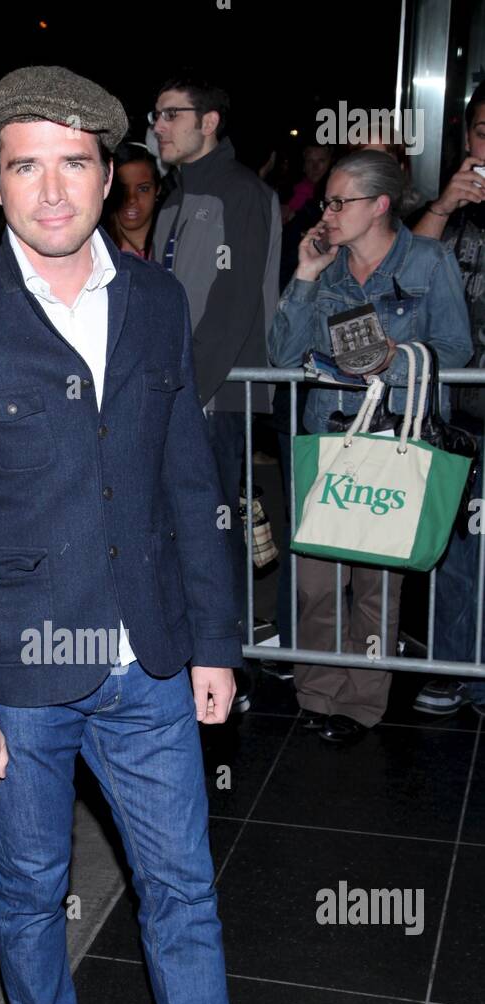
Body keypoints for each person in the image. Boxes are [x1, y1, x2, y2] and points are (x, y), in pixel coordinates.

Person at [0, 64, 297, 1004]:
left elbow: (187, 482)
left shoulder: (157, 300)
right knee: (29, 881)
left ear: (111, 170)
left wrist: (215, 642)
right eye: (27, 163)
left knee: (182, 877)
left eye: (75, 161)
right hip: (20, 670)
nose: (54, 187)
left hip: (149, 658)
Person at [268, 149, 472, 744]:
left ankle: (360, 705)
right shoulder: (325, 267)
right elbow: (281, 356)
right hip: (327, 439)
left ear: (379, 205)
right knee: (315, 583)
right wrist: (305, 274)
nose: (326, 213)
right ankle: (317, 693)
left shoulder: (429, 262)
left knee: (376, 586)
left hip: (390, 440)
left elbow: (457, 351)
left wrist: (395, 363)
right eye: (326, 202)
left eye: (339, 202)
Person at [150, 72, 282, 712]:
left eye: (172, 114)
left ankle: (229, 668)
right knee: (183, 527)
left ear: (210, 122)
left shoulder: (241, 193)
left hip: (217, 396)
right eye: (156, 115)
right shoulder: (174, 201)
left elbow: (230, 313)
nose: (159, 125)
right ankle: (194, 658)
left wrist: (177, 392)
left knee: (215, 530)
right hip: (182, 391)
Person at [408, 83, 485, 719]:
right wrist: (441, 207)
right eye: (484, 130)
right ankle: (457, 667)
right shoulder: (449, 211)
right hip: (454, 414)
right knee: (454, 547)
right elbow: (398, 278)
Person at [102, 140, 161, 258]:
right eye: (122, 189)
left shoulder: (175, 242)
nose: (131, 199)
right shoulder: (97, 249)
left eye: (143, 189)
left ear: (157, 190)